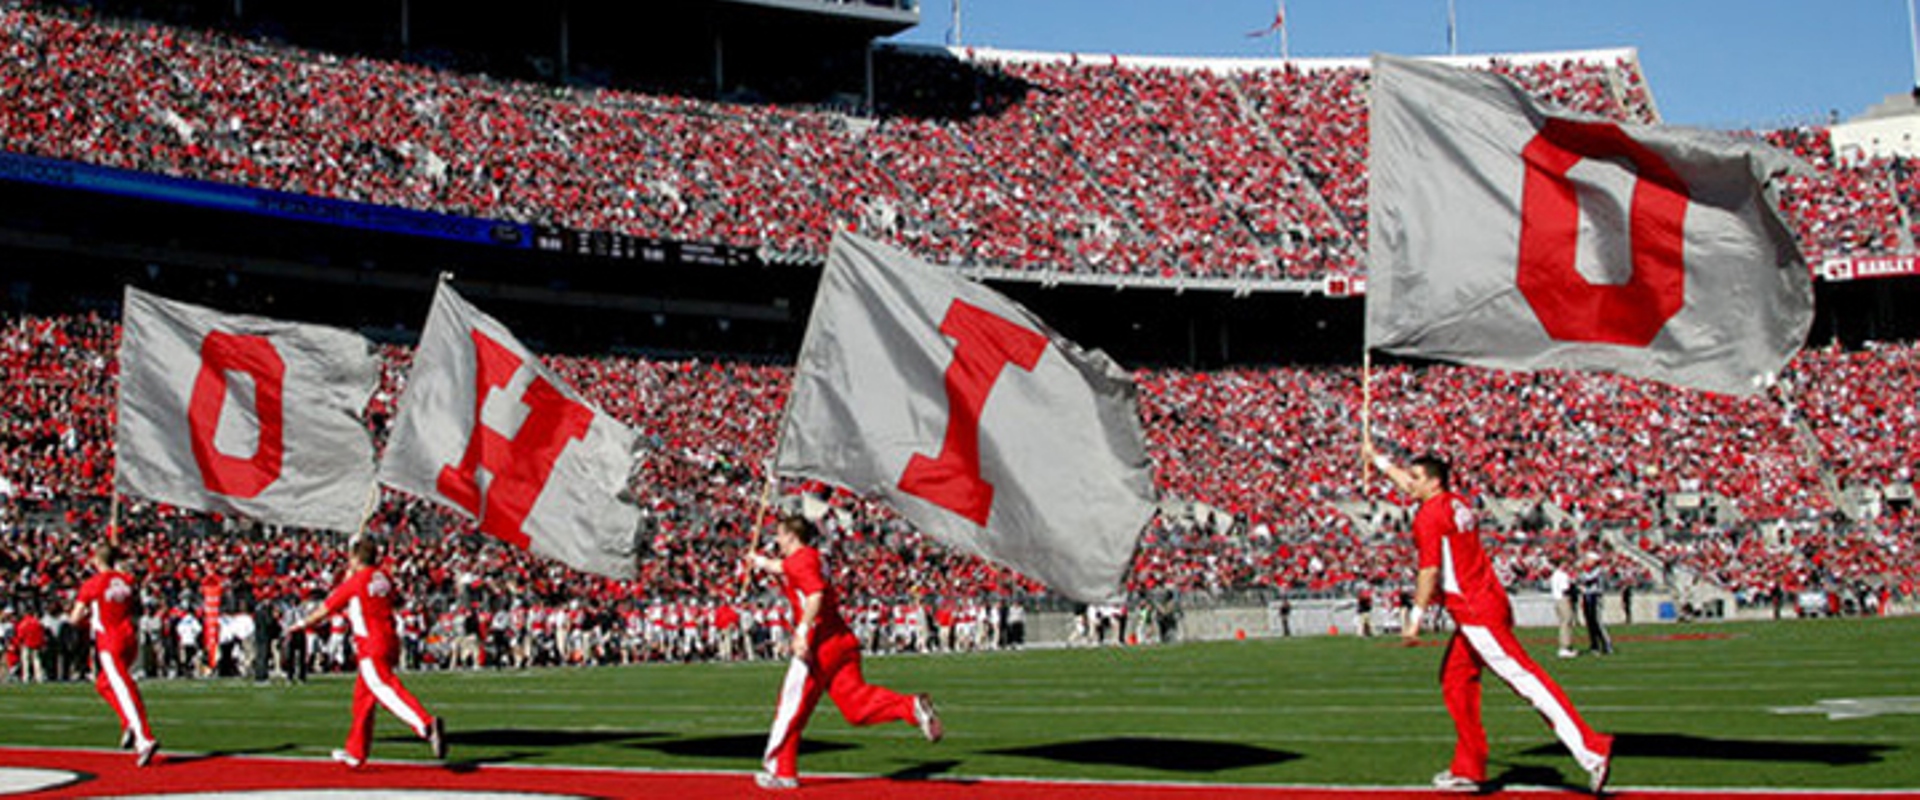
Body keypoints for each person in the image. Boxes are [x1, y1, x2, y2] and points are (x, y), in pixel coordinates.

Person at [1365, 443, 1612, 794]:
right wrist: (1376, 459)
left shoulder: (1429, 514)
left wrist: (1415, 618)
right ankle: (1469, 767)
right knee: (1455, 679)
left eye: (1416, 478)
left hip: (1475, 610)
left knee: (1526, 679)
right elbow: (1406, 483)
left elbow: (1429, 570)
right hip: (1486, 601)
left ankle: (1591, 748)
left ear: (1433, 483)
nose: (1409, 484)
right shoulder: (1454, 502)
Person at [743, 515, 943, 790]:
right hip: (842, 640)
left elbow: (814, 594)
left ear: (791, 535)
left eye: (779, 534)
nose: (776, 540)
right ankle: (909, 706)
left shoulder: (800, 561)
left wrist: (801, 631)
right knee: (856, 707)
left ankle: (781, 770)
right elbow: (789, 569)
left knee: (791, 707)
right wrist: (761, 562)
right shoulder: (814, 557)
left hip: (818, 644)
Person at [294, 536, 445, 768]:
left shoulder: (356, 581)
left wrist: (302, 624)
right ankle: (356, 751)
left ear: (355, 558)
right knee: (363, 699)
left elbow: (326, 607)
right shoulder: (383, 577)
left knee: (386, 688)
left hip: (370, 643)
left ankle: (425, 724)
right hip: (389, 637)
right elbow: (395, 599)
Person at [69, 542, 160, 766]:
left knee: (122, 687)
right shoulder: (127, 580)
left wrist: (89, 613)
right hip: (129, 635)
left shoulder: (92, 584)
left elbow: (74, 617)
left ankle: (143, 737)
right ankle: (128, 723)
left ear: (95, 560)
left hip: (109, 639)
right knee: (104, 684)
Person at [1580, 555, 1615, 655]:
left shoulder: (1599, 571)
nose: (1586, 561)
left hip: (1595, 596)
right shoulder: (1587, 571)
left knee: (1597, 622)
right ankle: (1594, 645)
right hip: (1587, 596)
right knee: (1590, 622)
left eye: (1588, 560)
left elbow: (1588, 580)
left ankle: (1607, 645)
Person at [1550, 564, 1579, 659]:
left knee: (1564, 622)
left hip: (1557, 599)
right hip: (1563, 599)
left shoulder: (1555, 574)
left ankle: (1566, 647)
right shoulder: (1562, 575)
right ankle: (1565, 647)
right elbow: (1565, 589)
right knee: (1566, 622)